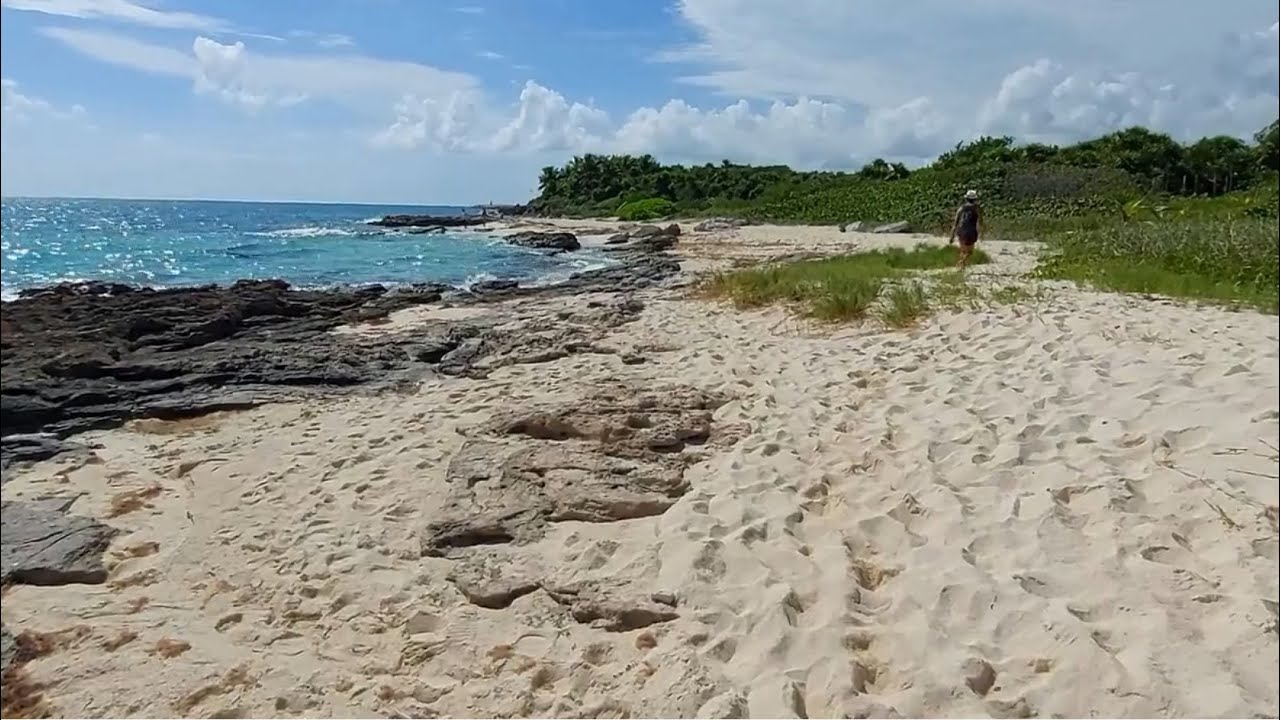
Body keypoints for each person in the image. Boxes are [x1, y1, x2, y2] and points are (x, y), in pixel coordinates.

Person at [948, 189, 983, 268]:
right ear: (975, 199)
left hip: (962, 230)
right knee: (969, 252)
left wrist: (952, 236)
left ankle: (961, 265)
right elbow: (980, 221)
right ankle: (961, 263)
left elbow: (955, 223)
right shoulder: (977, 209)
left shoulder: (961, 208)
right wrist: (981, 232)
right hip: (971, 231)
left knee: (963, 250)